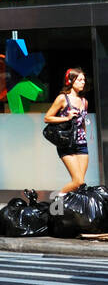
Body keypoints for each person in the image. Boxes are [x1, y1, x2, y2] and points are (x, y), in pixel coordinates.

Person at [45, 67, 91, 195]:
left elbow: (82, 124)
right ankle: (57, 201)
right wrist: (67, 117)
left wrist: (84, 137)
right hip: (66, 144)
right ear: (71, 81)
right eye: (80, 80)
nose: (83, 82)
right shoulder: (62, 98)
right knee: (77, 182)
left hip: (81, 144)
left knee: (80, 184)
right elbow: (47, 118)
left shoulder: (84, 102)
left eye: (84, 80)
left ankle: (72, 211)